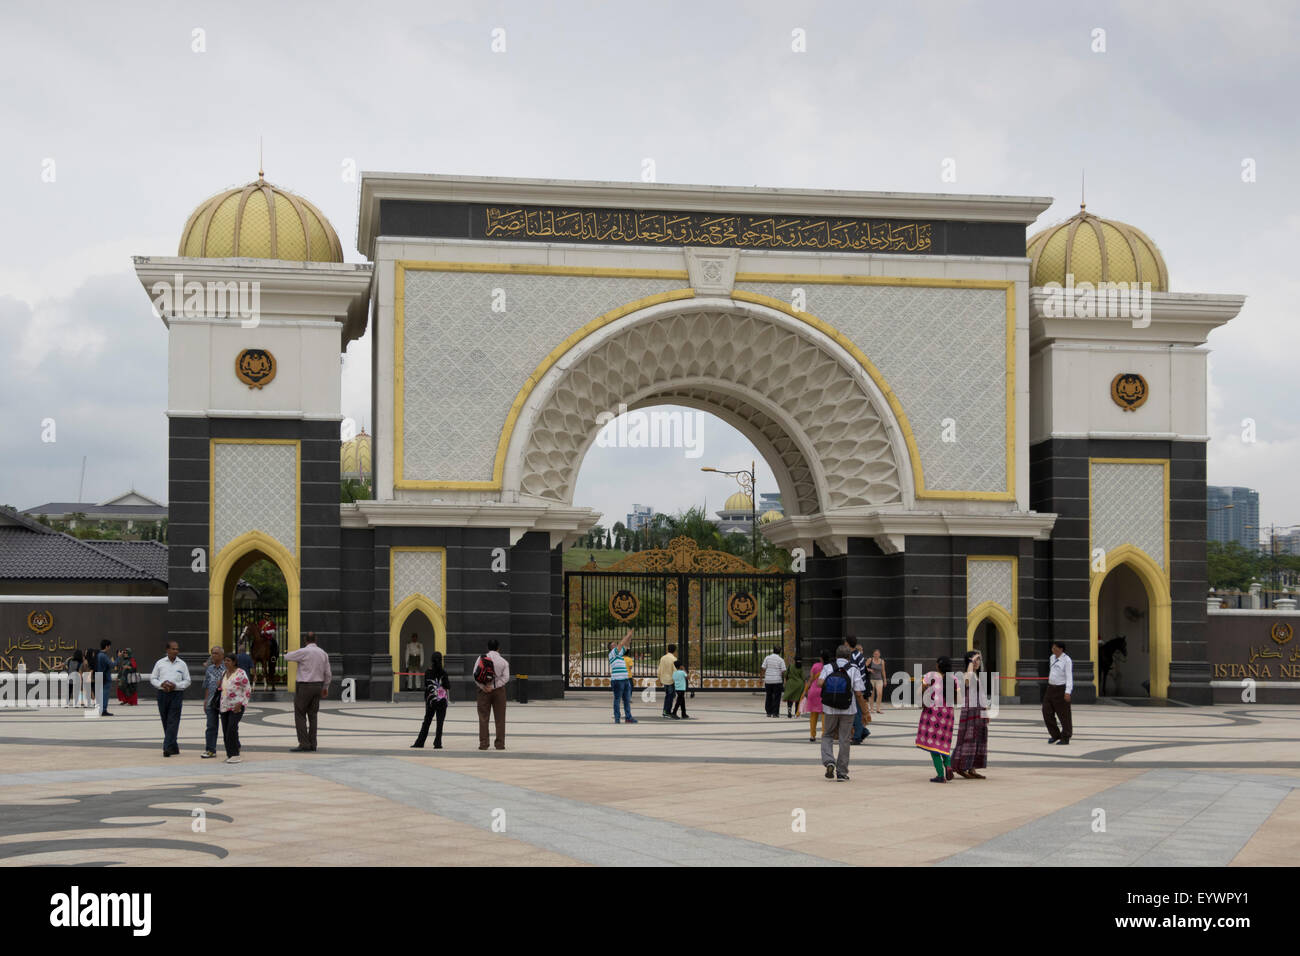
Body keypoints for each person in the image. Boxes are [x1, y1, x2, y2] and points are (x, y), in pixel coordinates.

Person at [816, 644, 869, 781]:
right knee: (844, 739)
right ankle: (842, 772)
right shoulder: (853, 669)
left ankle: (829, 761)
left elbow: (819, 683)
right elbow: (858, 693)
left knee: (827, 735)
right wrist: (865, 711)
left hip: (830, 708)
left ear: (836, 655)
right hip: (848, 708)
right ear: (849, 656)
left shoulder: (828, 667)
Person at [284, 631, 331, 752]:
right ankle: (313, 743)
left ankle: (304, 743)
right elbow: (328, 673)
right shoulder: (323, 653)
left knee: (300, 714)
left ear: (305, 640)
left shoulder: (304, 651)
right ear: (316, 639)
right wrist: (325, 687)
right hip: (318, 685)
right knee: (313, 715)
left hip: (304, 686)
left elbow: (287, 657)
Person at [916, 657, 956, 783]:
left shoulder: (931, 676)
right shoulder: (953, 678)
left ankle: (940, 775)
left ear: (938, 666)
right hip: (948, 713)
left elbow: (921, 689)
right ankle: (948, 765)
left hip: (933, 712)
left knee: (933, 745)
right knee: (943, 742)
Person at [149, 641, 192, 757]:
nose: (176, 651)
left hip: (176, 695)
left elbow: (187, 681)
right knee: (166, 721)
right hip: (162, 694)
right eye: (173, 649)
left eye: (177, 649)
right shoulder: (159, 663)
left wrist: (176, 685)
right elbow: (153, 678)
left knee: (173, 721)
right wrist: (161, 684)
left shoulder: (182, 664)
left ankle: (167, 747)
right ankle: (174, 747)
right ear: (167, 650)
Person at [952, 650, 989, 779]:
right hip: (970, 711)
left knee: (978, 738)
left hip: (979, 710)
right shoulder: (966, 674)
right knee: (968, 738)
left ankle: (972, 768)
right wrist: (971, 662)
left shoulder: (977, 676)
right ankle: (961, 766)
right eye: (976, 659)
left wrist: (986, 712)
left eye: (979, 659)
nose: (978, 662)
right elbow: (967, 680)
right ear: (970, 661)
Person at [473, 639, 510, 749]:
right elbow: (506, 678)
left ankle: (483, 743)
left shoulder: (481, 658)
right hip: (499, 692)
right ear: (498, 648)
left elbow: (474, 674)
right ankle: (500, 744)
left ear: (488, 647)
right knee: (500, 718)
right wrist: (494, 686)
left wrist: (483, 687)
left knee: (483, 717)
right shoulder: (503, 662)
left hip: (483, 691)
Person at [411, 651, 451, 749]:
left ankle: (420, 742)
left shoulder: (428, 672)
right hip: (442, 700)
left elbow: (426, 685)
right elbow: (448, 686)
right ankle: (437, 743)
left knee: (427, 721)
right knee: (440, 722)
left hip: (431, 700)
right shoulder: (443, 672)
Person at [218, 651, 252, 763]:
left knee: (231, 729)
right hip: (224, 706)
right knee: (225, 729)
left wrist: (241, 703)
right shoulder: (224, 673)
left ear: (234, 662)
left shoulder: (241, 673)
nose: (226, 663)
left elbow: (247, 689)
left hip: (237, 706)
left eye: (228, 661)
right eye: (225, 660)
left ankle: (235, 755)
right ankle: (230, 753)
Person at [1043, 640, 1073, 745]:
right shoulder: (1052, 658)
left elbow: (1069, 677)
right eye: (1052, 648)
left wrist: (1068, 692)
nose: (1053, 650)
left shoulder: (1067, 660)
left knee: (1064, 715)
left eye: (1055, 648)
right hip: (1050, 688)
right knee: (1046, 712)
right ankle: (1055, 735)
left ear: (1061, 649)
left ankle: (1066, 737)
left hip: (1061, 689)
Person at [201, 646, 226, 759]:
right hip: (211, 702)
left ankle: (235, 746)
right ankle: (210, 750)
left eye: (216, 653)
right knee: (211, 726)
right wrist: (206, 701)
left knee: (228, 727)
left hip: (224, 702)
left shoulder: (227, 668)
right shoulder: (209, 669)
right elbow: (206, 686)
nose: (213, 655)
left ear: (222, 655)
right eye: (212, 653)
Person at [608, 629, 636, 725]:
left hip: (625, 679)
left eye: (615, 644)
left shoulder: (619, 655)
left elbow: (626, 645)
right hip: (617, 680)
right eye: (613, 645)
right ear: (611, 648)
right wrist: (627, 634)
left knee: (627, 700)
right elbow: (621, 644)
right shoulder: (612, 654)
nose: (615, 645)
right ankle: (617, 718)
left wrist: (630, 636)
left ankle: (628, 717)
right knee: (617, 699)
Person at [801, 650, 829, 742]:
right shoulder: (829, 667)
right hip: (824, 691)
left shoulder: (815, 666)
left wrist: (805, 691)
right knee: (824, 713)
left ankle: (812, 735)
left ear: (821, 658)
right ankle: (824, 733)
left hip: (813, 691)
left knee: (813, 714)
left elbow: (810, 679)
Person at [846, 636, 868, 742]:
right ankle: (863, 731)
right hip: (860, 686)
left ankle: (857, 736)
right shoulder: (860, 655)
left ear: (847, 643)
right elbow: (863, 672)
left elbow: (853, 673)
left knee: (855, 712)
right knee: (857, 711)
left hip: (854, 688)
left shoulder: (852, 657)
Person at [760, 645, 786, 717]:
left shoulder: (767, 658)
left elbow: (763, 668)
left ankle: (768, 712)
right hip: (777, 681)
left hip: (768, 680)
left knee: (769, 696)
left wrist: (761, 678)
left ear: (773, 650)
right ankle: (775, 713)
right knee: (777, 697)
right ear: (780, 652)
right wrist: (784, 679)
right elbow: (783, 671)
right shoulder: (781, 660)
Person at [657, 643, 678, 718]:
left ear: (667, 649)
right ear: (675, 650)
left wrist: (659, 678)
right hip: (671, 680)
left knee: (667, 696)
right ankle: (667, 712)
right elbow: (675, 671)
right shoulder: (674, 659)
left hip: (664, 679)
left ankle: (665, 711)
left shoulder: (663, 658)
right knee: (670, 697)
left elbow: (659, 669)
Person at [94, 640, 114, 716]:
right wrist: (118, 658)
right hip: (105, 677)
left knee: (100, 694)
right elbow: (112, 665)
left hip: (99, 676)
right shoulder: (104, 656)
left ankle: (100, 709)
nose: (109, 648)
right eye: (109, 646)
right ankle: (104, 710)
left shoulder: (98, 655)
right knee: (105, 694)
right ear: (106, 646)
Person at [867, 649, 886, 715]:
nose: (876, 655)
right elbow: (864, 667)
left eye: (877, 654)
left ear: (879, 655)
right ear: (873, 654)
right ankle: (871, 708)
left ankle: (878, 709)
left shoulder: (882, 661)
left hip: (879, 679)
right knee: (872, 694)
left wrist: (885, 680)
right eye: (875, 654)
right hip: (871, 679)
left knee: (880, 693)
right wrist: (869, 670)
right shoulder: (870, 660)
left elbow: (883, 671)